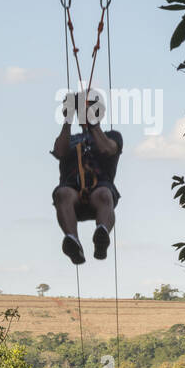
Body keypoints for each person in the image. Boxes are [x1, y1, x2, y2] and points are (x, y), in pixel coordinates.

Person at [52, 88, 123, 265]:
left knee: (105, 194)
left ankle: (101, 237)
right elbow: (60, 151)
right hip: (72, 193)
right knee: (62, 194)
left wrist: (92, 124)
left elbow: (107, 149)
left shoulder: (111, 136)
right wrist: (67, 120)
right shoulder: (70, 139)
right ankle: (73, 241)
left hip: (98, 192)